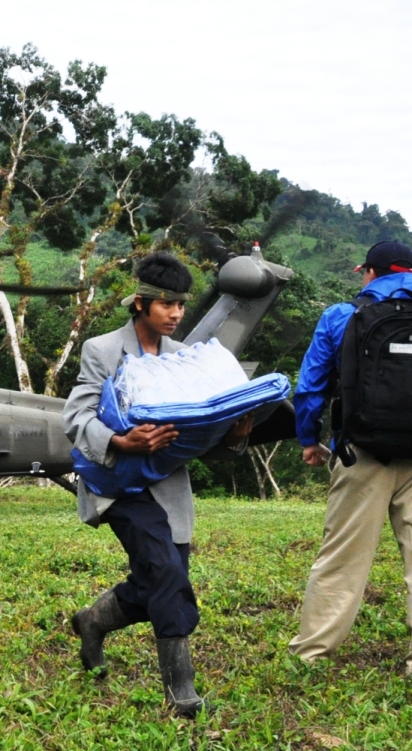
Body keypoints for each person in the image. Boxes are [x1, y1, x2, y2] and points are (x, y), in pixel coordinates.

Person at [61, 252, 253, 718]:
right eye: (166, 304)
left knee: (158, 582)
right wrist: (122, 442)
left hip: (166, 487)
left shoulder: (186, 359)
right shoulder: (103, 350)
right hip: (118, 485)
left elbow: (200, 432)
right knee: (167, 572)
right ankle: (181, 694)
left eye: (181, 305)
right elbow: (76, 417)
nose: (176, 314)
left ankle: (91, 621)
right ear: (141, 303)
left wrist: (236, 434)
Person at [289, 240, 412, 676]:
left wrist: (309, 440)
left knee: (342, 558)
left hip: (361, 454)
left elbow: (310, 386)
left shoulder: (342, 316)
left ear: (368, 274)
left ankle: (312, 655)